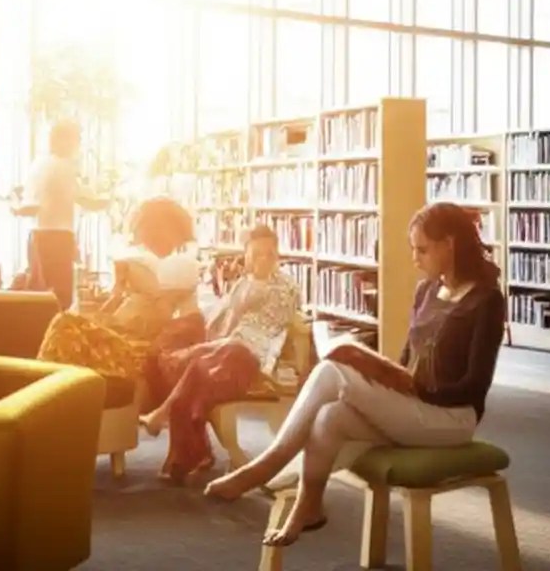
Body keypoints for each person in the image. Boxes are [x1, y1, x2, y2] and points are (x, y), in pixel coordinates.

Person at [203, 202, 505, 548]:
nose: (414, 258)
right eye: (413, 249)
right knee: (331, 416)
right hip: (417, 404)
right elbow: (408, 359)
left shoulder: (487, 301)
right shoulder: (425, 290)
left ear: (449, 244)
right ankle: (310, 505)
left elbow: (474, 387)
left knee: (332, 370)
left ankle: (266, 464)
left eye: (422, 249)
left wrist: (415, 390)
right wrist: (389, 375)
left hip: (453, 418)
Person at [138, 224, 300, 483]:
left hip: (253, 357)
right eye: (256, 254)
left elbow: (278, 318)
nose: (264, 259)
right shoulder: (242, 283)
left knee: (210, 356)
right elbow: (225, 319)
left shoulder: (286, 285)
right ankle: (193, 452)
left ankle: (166, 419)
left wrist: (258, 282)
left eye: (270, 253)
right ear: (245, 255)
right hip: (225, 351)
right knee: (192, 366)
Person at [37, 196, 201, 381]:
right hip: (120, 338)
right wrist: (115, 295)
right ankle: (47, 393)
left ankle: (42, 392)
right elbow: (113, 309)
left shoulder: (184, 271)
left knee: (64, 327)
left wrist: (154, 295)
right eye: (147, 228)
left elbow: (183, 324)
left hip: (139, 351)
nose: (149, 235)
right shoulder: (138, 264)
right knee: (64, 326)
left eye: (157, 228)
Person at [12, 120, 109, 310]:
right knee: (60, 298)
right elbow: (86, 200)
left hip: (37, 236)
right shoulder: (64, 167)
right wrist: (110, 199)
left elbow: (29, 206)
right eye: (76, 140)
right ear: (62, 140)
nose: (77, 146)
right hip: (57, 238)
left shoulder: (38, 165)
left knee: (41, 293)